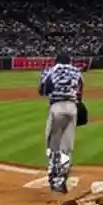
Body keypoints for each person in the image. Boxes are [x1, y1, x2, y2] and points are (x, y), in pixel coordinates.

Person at [39, 53, 83, 194]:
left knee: (53, 144)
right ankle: (63, 177)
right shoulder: (76, 71)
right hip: (72, 108)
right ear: (70, 61)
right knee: (66, 145)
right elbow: (80, 91)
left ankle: (54, 178)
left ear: (56, 61)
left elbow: (43, 90)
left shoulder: (50, 70)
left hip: (57, 108)